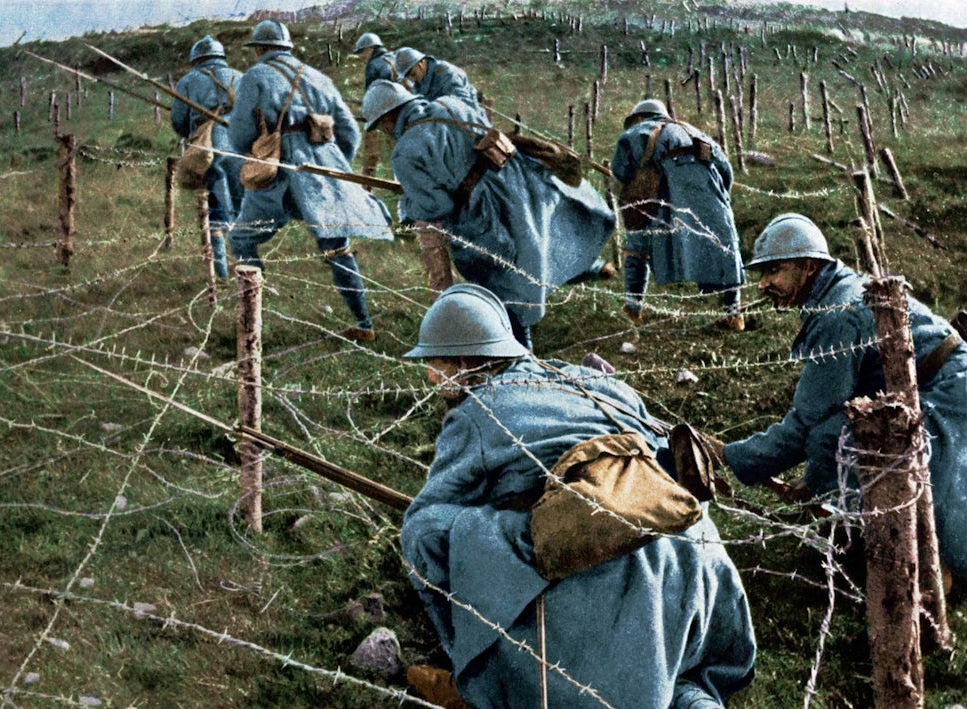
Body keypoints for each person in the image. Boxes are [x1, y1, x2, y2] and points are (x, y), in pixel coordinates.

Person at [401, 283, 757, 708]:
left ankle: (475, 676)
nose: (429, 375)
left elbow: (429, 512)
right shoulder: (584, 377)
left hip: (613, 560)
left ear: (465, 362)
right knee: (678, 679)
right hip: (688, 549)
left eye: (436, 363)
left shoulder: (475, 414)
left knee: (424, 532)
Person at [711, 213, 967, 584]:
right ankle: (858, 529)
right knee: (838, 435)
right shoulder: (836, 291)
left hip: (947, 395)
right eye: (761, 274)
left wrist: (731, 456)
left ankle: (903, 560)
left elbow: (807, 424)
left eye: (774, 272)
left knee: (840, 440)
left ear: (810, 267)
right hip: (940, 383)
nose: (764, 284)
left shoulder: (836, 314)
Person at [361, 80, 615, 349]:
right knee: (539, 242)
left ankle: (520, 351)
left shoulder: (405, 154)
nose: (385, 132)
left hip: (481, 211)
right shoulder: (451, 103)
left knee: (502, 278)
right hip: (515, 182)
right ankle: (589, 267)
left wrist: (410, 205)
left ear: (389, 117)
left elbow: (437, 207)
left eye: (381, 125)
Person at [228, 20, 394, 342]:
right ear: (287, 47)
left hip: (279, 178)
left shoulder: (254, 77)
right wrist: (332, 163)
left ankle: (254, 323)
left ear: (261, 49)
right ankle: (364, 324)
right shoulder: (319, 77)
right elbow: (351, 132)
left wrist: (261, 149)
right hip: (323, 175)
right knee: (337, 248)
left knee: (242, 240)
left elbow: (238, 136)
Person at [610, 99, 746, 331]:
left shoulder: (635, 133)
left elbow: (620, 170)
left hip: (664, 197)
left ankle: (633, 308)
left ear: (639, 118)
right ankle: (734, 314)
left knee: (637, 242)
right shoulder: (692, 131)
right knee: (724, 248)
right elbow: (726, 171)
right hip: (709, 193)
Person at [171, 35, 244, 278]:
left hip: (208, 150)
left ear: (196, 59)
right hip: (242, 149)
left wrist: (196, 129)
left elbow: (179, 123)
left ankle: (221, 274)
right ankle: (246, 269)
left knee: (215, 211)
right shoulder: (240, 76)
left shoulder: (188, 81)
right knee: (241, 208)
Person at [392, 47, 490, 125]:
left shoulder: (448, 75)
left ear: (421, 63)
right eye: (408, 77)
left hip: (470, 123)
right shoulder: (420, 80)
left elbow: (463, 108)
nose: (412, 80)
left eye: (413, 74)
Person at [351, 32, 395, 182]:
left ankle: (367, 182)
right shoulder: (392, 58)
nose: (361, 56)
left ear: (371, 49)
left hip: (386, 114)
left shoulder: (374, 65)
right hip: (402, 110)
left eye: (362, 52)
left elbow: (371, 94)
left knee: (373, 150)